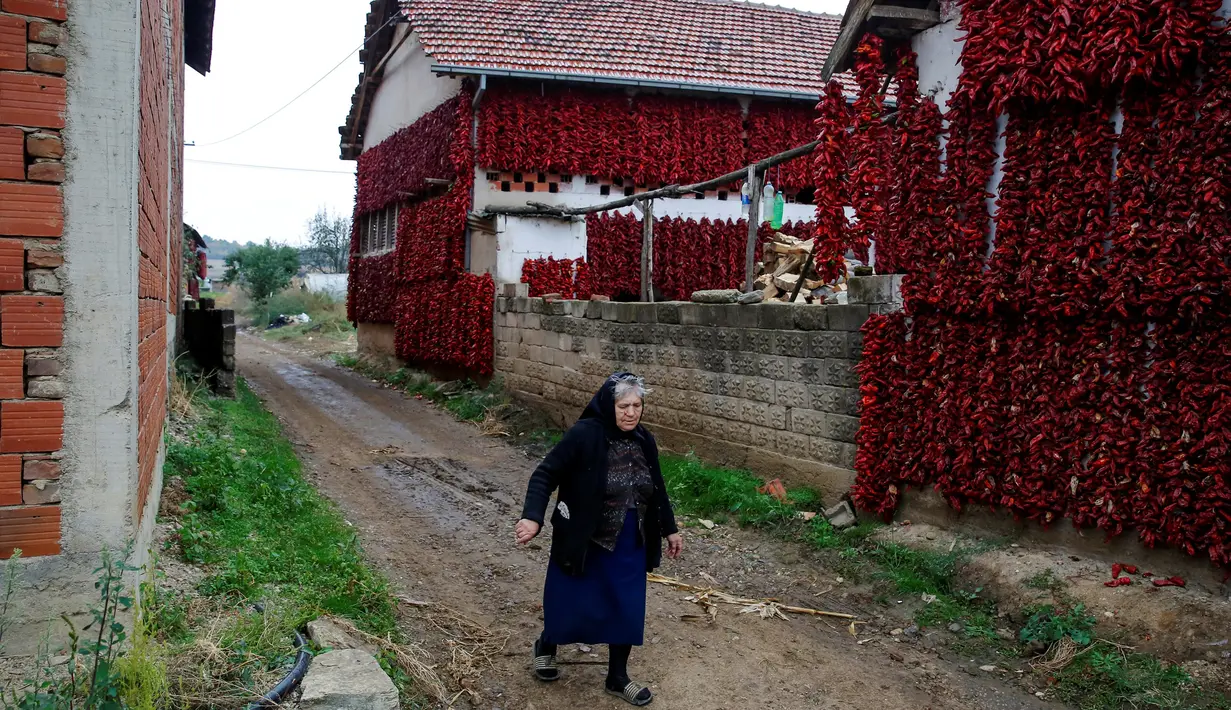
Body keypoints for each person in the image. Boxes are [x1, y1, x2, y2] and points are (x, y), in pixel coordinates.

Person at [515, 372, 683, 706]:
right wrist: (532, 517)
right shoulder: (584, 435)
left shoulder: (644, 440)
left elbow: (658, 488)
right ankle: (547, 644)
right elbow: (545, 474)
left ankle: (617, 677)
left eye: (637, 405)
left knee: (626, 607)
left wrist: (669, 528)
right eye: (624, 406)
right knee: (568, 602)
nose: (631, 413)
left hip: (630, 539)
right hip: (585, 537)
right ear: (609, 405)